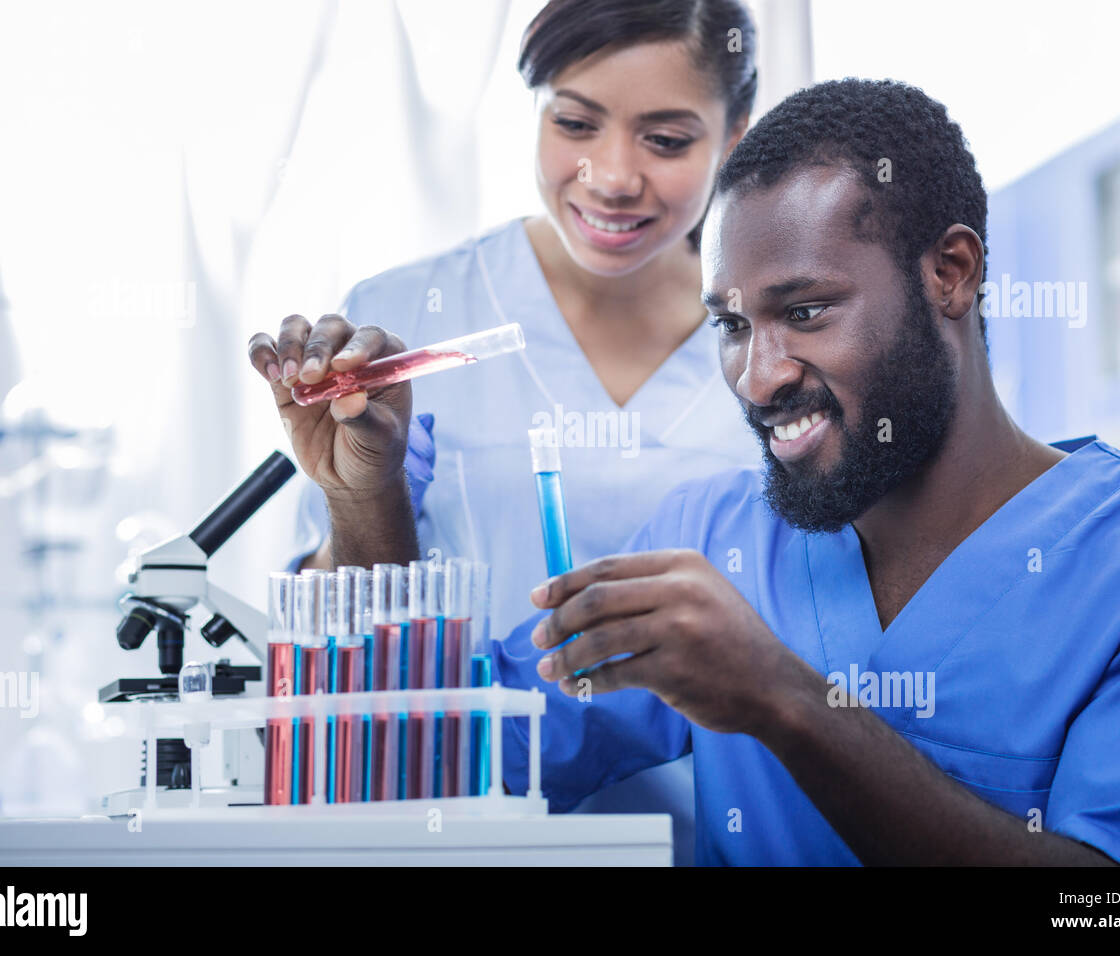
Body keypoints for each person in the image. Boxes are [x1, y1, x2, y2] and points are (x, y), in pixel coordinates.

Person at [258, 77, 1120, 865]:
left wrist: (786, 702)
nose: (757, 376)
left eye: (805, 310)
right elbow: (431, 762)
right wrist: (364, 496)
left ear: (952, 272)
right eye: (730, 324)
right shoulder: (709, 541)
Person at [247, 0, 760, 864]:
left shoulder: (775, 345)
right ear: (532, 110)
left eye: (666, 140)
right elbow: (340, 647)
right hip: (444, 839)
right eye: (575, 123)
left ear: (734, 136)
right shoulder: (405, 318)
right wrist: (360, 496)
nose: (612, 176)